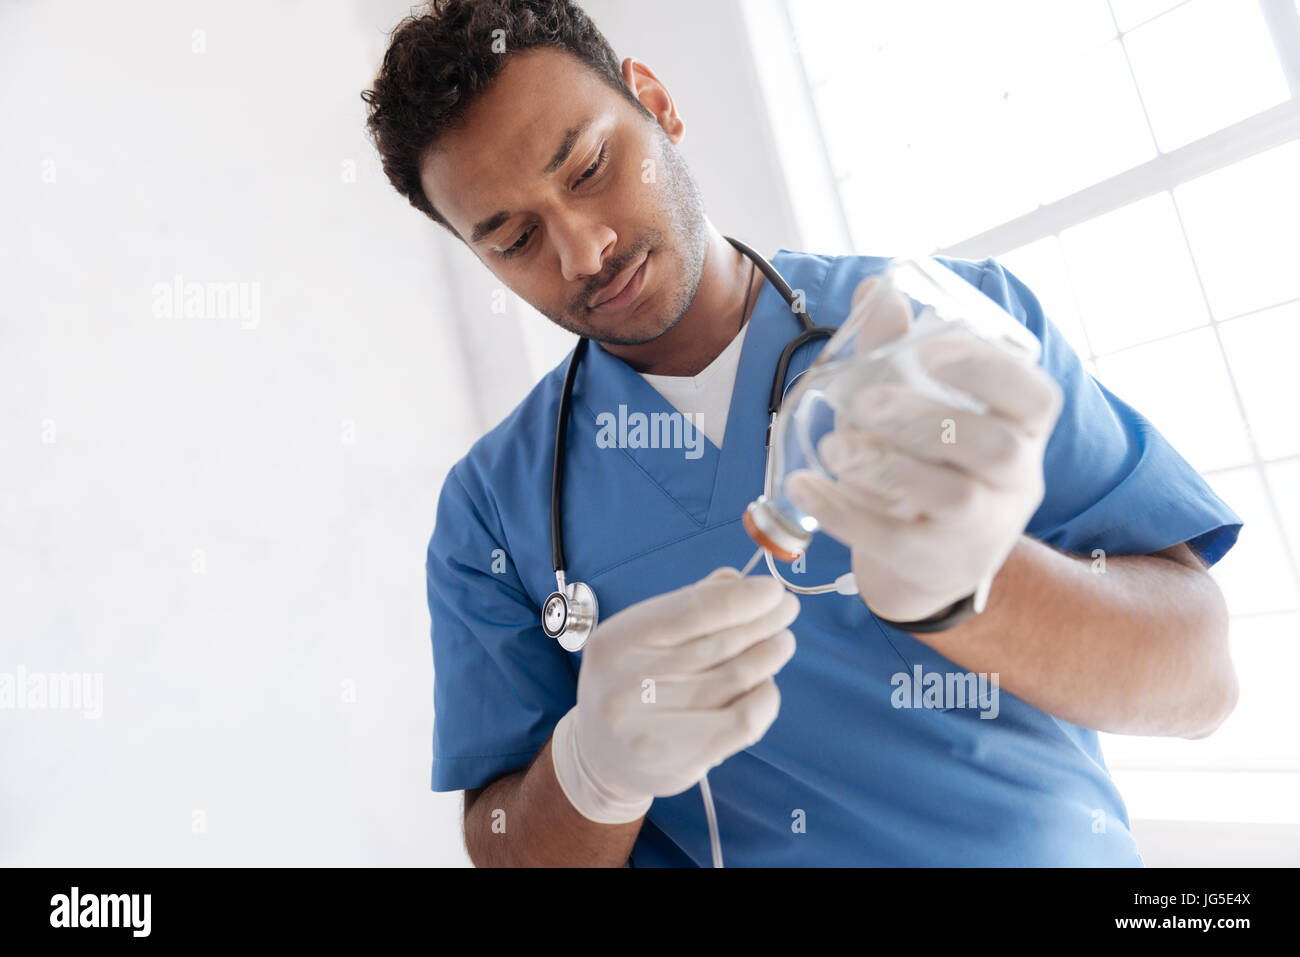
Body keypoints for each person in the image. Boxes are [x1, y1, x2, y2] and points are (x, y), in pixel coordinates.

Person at [361, 0, 1242, 867]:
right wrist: (592, 772)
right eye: (515, 238)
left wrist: (976, 590)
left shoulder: (938, 329)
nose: (583, 250)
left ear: (656, 103)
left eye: (590, 167)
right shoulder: (492, 513)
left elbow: (1202, 678)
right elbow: (505, 840)